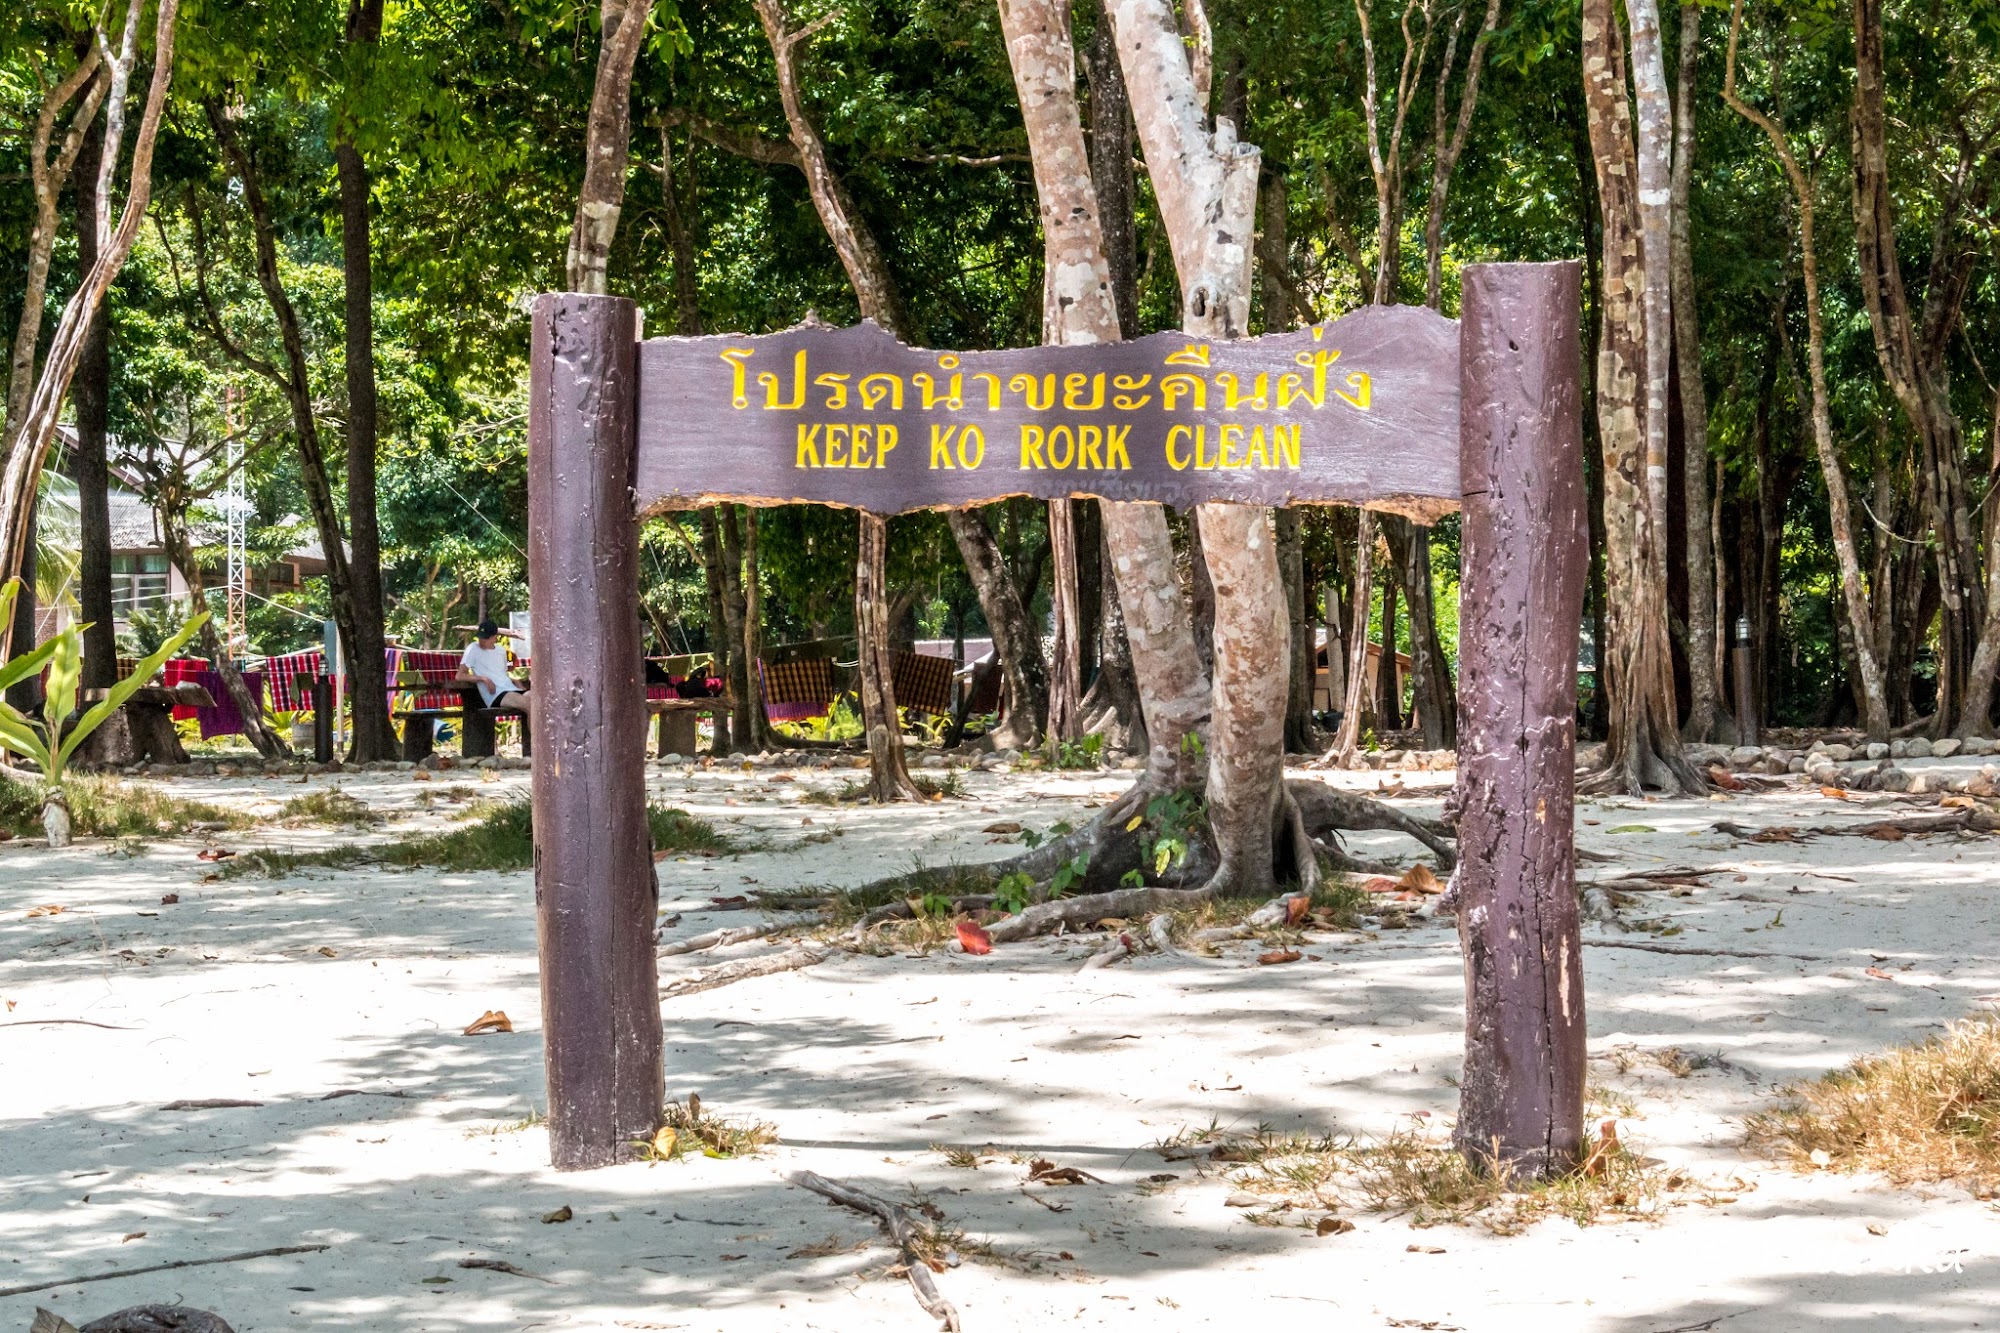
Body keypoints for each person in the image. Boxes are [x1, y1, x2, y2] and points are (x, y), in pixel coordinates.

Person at [458, 619, 528, 710]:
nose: (481, 640)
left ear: (495, 637)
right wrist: (482, 678)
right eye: (480, 637)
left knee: (538, 702)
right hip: (496, 694)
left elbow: (500, 675)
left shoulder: (501, 651)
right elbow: (460, 675)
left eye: (485, 637)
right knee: (529, 705)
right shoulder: (473, 649)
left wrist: (515, 680)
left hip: (510, 689)